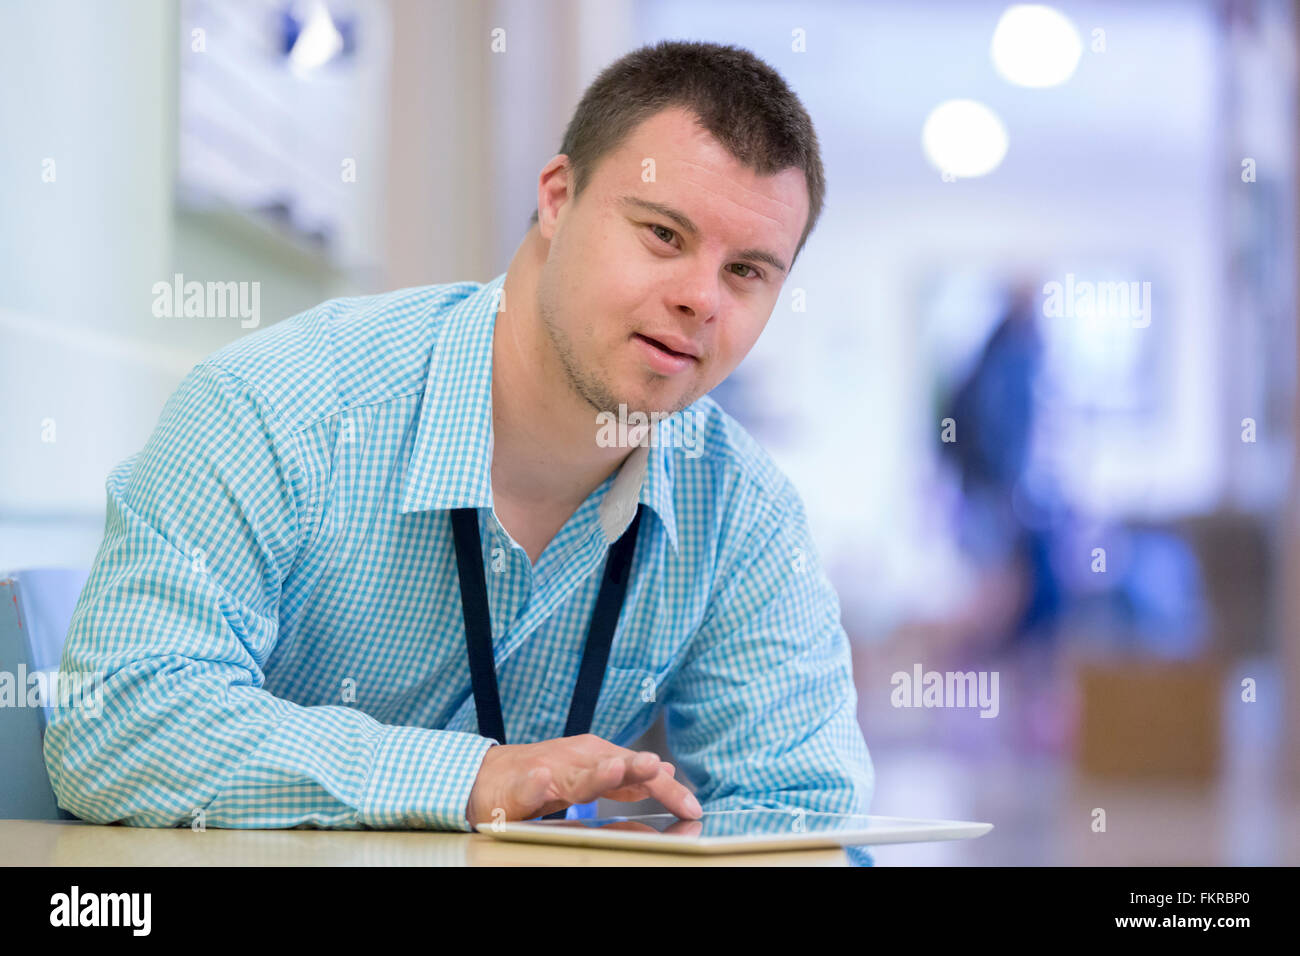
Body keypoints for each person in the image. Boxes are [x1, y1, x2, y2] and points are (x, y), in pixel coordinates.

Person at [43, 40, 874, 837]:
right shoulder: (281, 407)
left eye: (747, 272)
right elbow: (119, 720)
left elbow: (805, 812)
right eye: (664, 234)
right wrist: (471, 780)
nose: (702, 298)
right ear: (557, 198)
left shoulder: (743, 510)